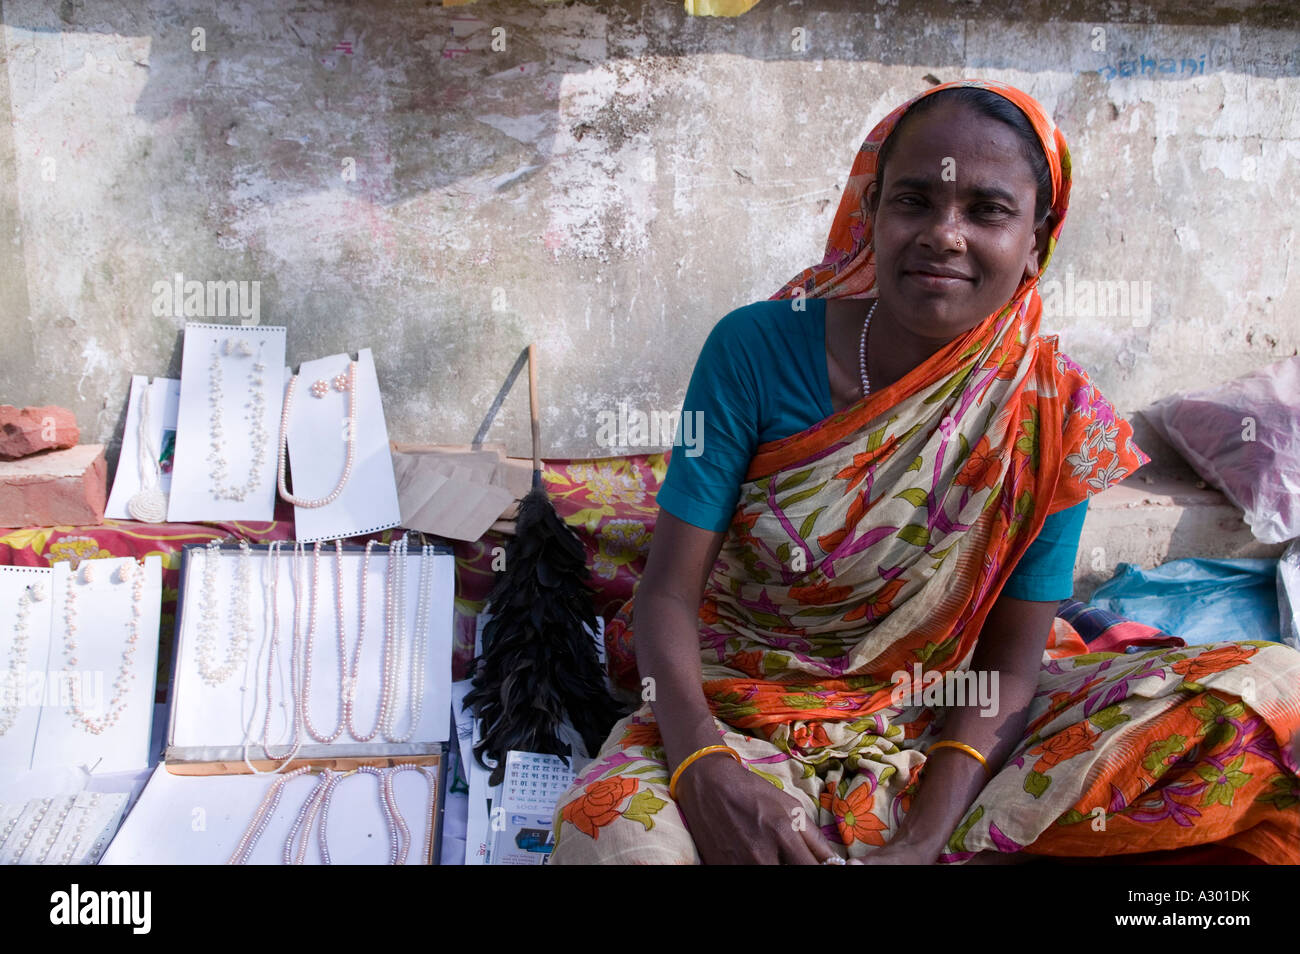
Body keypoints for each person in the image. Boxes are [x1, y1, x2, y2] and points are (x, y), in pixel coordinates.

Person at [548, 79, 1300, 865]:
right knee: (614, 844)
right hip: (737, 708)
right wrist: (703, 768)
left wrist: (923, 837)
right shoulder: (756, 349)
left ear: (1037, 237)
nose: (945, 235)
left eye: (987, 210)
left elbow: (1009, 666)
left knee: (1272, 697)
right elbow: (667, 591)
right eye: (915, 200)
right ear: (871, 211)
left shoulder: (1054, 415)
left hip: (940, 719)